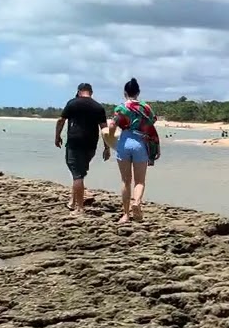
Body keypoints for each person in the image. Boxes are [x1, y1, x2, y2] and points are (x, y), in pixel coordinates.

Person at [104, 78, 160, 223]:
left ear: (125, 93)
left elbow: (112, 126)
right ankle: (137, 202)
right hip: (140, 143)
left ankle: (126, 215)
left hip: (124, 142)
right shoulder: (146, 107)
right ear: (138, 92)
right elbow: (152, 121)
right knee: (140, 181)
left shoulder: (121, 108)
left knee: (125, 181)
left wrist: (110, 138)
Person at [54, 82, 110, 212]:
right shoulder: (98, 107)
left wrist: (57, 136)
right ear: (91, 92)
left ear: (79, 91)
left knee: (77, 175)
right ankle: (73, 202)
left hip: (75, 142)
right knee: (80, 172)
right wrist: (107, 147)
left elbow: (61, 121)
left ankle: (79, 207)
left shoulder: (72, 103)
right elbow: (104, 129)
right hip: (91, 144)